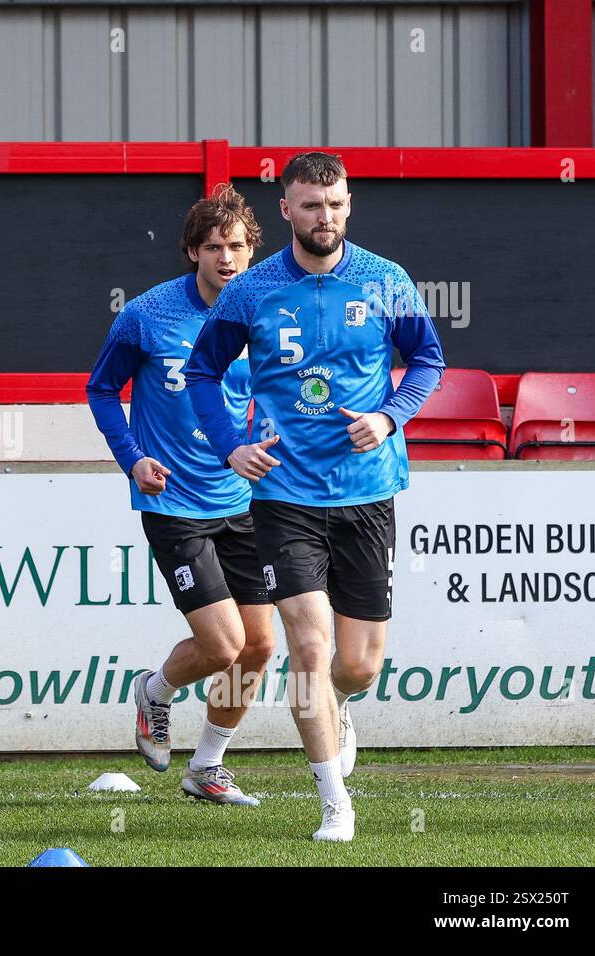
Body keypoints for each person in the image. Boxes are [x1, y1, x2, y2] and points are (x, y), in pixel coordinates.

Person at [185, 152, 445, 841]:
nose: (323, 216)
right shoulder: (252, 291)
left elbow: (428, 360)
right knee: (306, 646)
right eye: (309, 205)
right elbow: (202, 372)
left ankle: (337, 702)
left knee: (356, 663)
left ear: (348, 205)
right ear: (286, 210)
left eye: (333, 204)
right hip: (284, 494)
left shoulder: (386, 280)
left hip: (367, 492)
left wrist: (389, 416)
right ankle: (335, 803)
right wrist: (228, 447)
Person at [86, 185, 275, 805]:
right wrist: (132, 459)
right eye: (214, 247)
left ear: (252, 252)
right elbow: (100, 390)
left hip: (242, 499)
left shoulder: (267, 314)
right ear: (192, 251)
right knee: (223, 645)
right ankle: (156, 691)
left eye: (238, 246)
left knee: (262, 645)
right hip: (174, 502)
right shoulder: (147, 314)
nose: (227, 258)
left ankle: (207, 768)